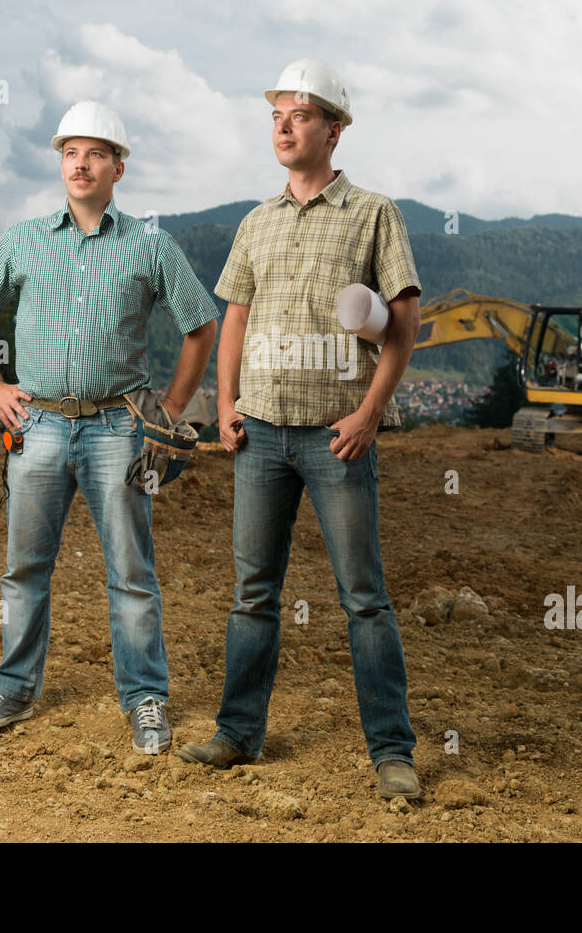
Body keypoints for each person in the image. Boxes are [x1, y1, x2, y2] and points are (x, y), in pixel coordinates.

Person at [178, 58, 423, 799]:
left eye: (300, 115)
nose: (283, 127)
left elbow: (404, 324)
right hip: (261, 438)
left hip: (335, 436)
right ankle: (237, 733)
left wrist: (369, 412)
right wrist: (225, 404)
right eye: (276, 116)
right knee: (253, 592)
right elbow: (235, 320)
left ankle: (392, 751)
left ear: (334, 130)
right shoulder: (257, 222)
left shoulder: (375, 214)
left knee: (363, 597)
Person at [0, 101, 218, 755]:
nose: (80, 163)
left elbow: (200, 323)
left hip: (119, 430)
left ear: (118, 168)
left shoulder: (151, 245)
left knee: (130, 569)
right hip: (36, 424)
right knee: (23, 568)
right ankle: (12, 685)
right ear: (60, 161)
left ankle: (145, 699)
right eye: (70, 151)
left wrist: (172, 409)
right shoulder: (22, 240)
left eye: (96, 153)